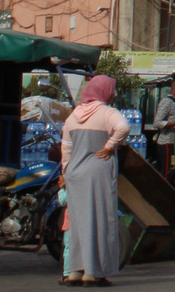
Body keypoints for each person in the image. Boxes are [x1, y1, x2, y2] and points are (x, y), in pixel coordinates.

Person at [60, 75, 130, 286]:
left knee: (78, 223)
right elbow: (124, 127)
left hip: (75, 174)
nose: (114, 93)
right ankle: (93, 273)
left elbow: (66, 148)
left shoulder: (73, 115)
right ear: (105, 91)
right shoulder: (107, 113)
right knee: (100, 221)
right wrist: (110, 146)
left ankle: (74, 272)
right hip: (97, 173)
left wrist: (65, 172)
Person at [147, 79, 175, 175]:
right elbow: (157, 123)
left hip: (174, 142)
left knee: (173, 172)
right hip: (166, 143)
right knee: (167, 172)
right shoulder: (166, 102)